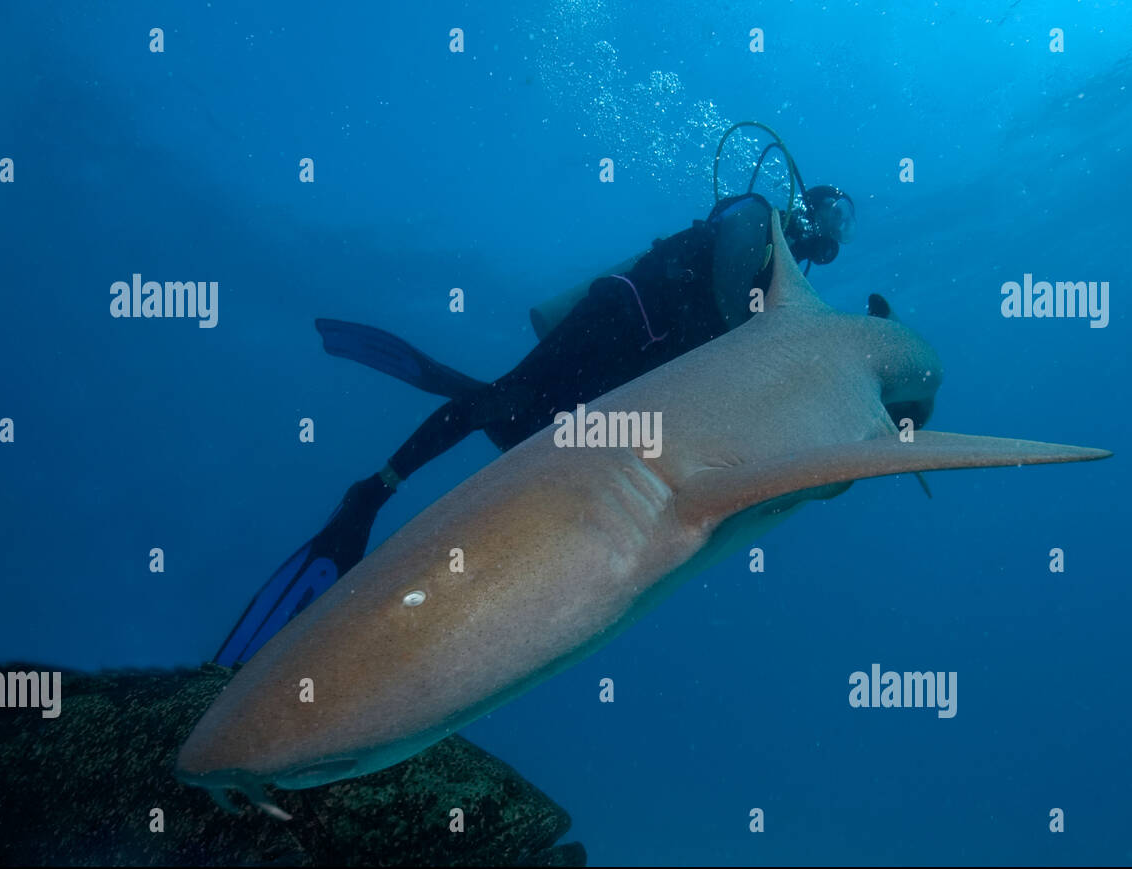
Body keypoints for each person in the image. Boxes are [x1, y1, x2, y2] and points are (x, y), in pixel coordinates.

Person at [215, 139, 861, 665]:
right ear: (805, 204)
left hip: (641, 363)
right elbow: (726, 304)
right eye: (830, 212)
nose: (830, 228)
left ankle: (475, 398)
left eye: (841, 225)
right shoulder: (757, 219)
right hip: (620, 318)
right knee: (512, 403)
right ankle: (374, 490)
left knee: (534, 431)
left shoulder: (781, 281)